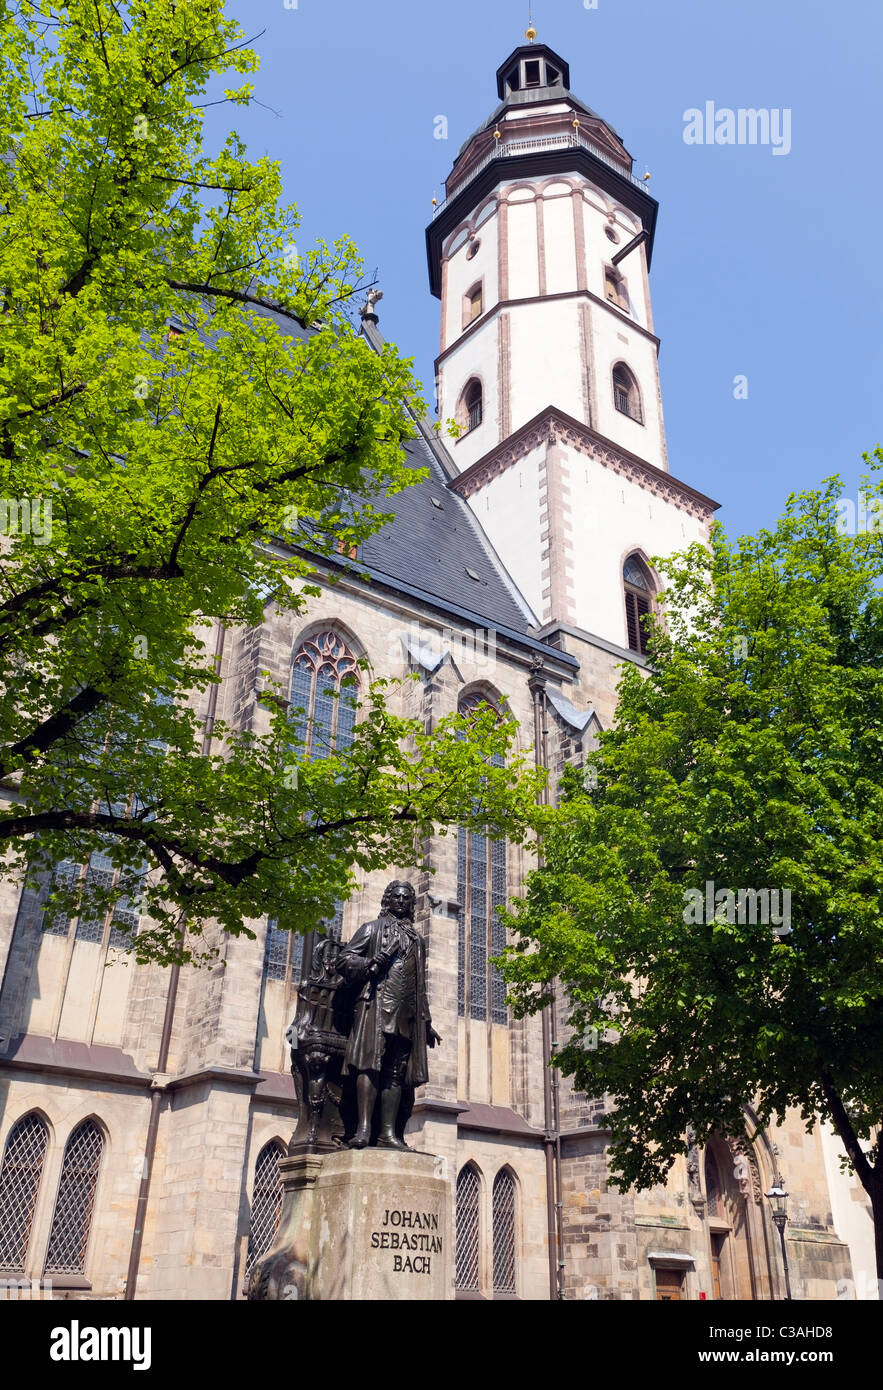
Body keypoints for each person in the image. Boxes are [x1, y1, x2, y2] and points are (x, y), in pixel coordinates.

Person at [338, 880, 441, 1149]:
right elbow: (345, 959)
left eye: (406, 898)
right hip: (375, 1006)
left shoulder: (417, 940)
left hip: (406, 1013)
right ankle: (363, 1128)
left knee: (396, 1072)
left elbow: (420, 984)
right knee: (370, 1066)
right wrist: (369, 963)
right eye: (396, 897)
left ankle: (387, 1133)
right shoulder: (372, 929)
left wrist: (426, 1022)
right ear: (387, 900)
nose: (401, 901)